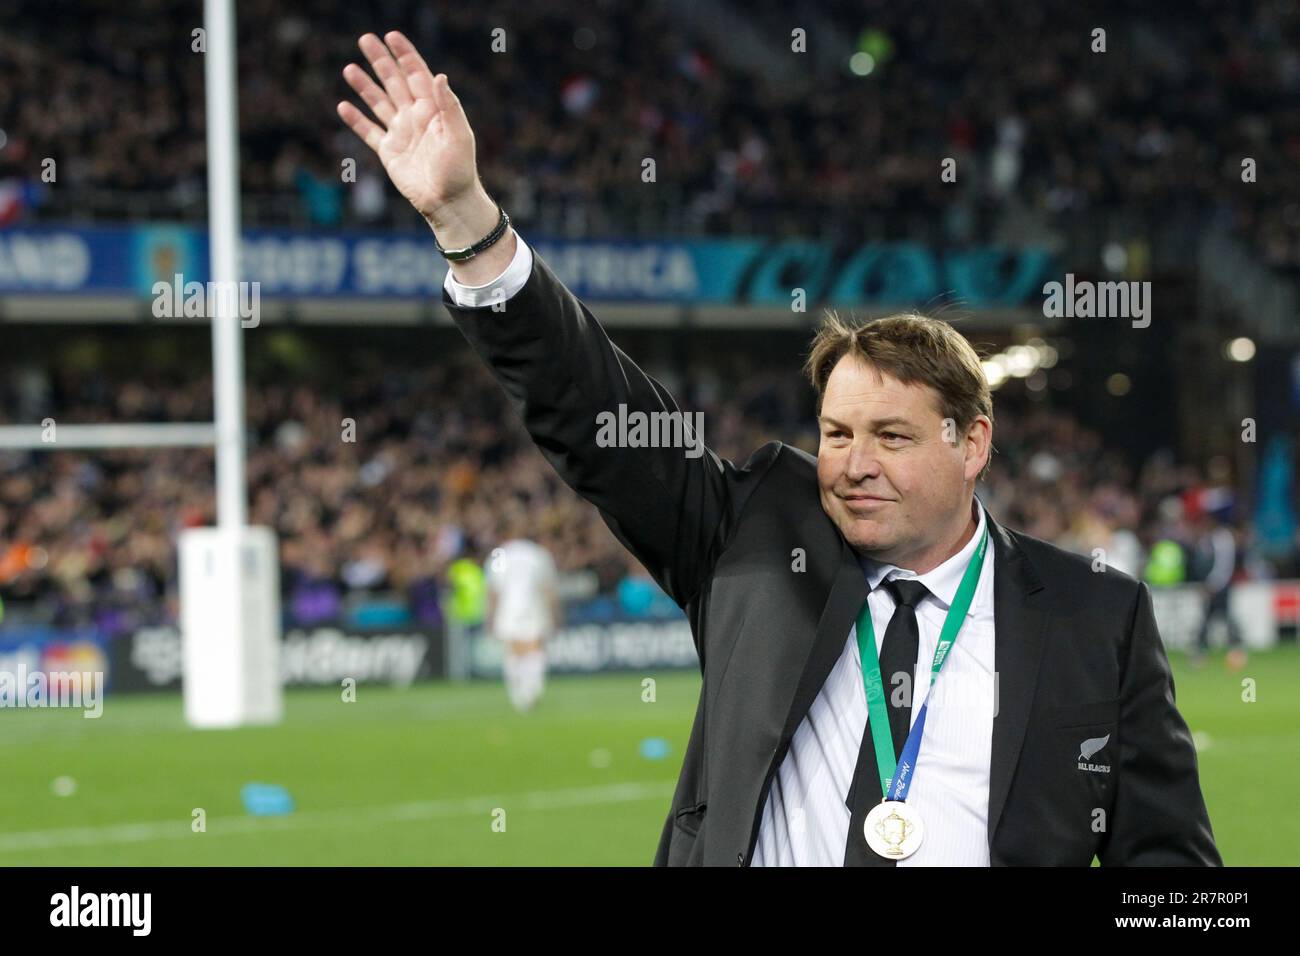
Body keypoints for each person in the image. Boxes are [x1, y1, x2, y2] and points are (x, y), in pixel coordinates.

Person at [338, 31, 1222, 866]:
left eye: (892, 436)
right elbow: (594, 412)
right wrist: (467, 220)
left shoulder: (1095, 617)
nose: (854, 462)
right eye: (836, 433)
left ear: (972, 443)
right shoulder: (756, 544)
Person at [484, 538, 561, 712]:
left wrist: (489, 618)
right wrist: (555, 615)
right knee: (534, 648)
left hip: (508, 608)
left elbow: (493, 591)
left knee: (514, 651)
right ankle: (532, 690)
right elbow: (549, 588)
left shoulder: (499, 554)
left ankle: (519, 695)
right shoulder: (539, 554)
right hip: (534, 606)